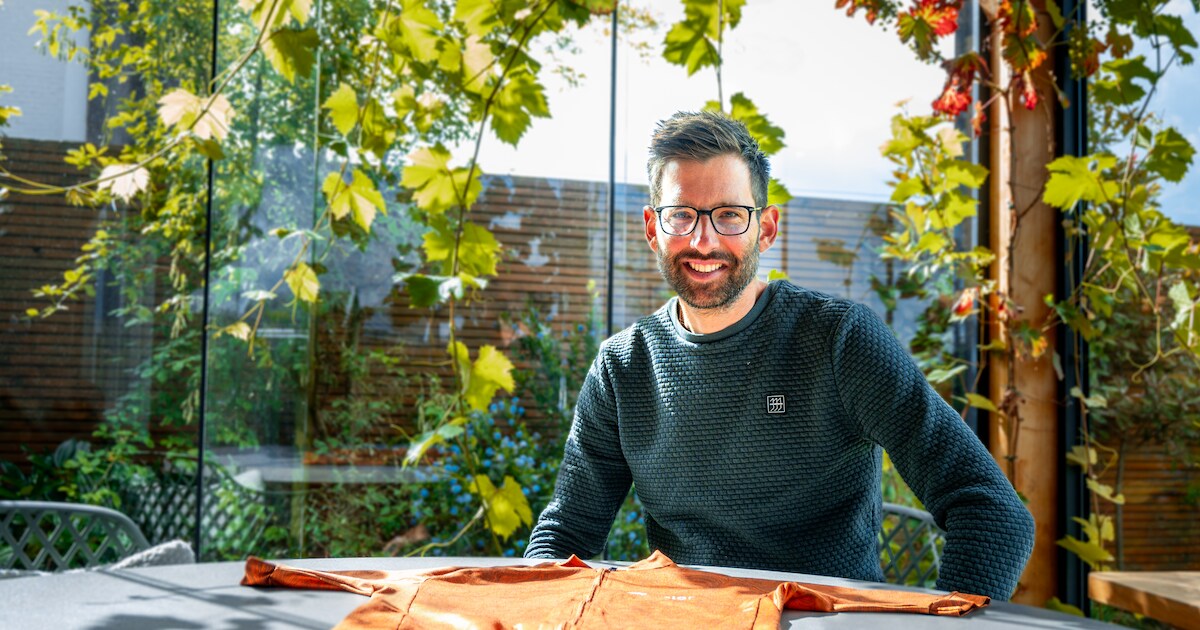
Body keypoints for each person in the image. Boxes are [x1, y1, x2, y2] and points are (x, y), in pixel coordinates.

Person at [524, 110, 1035, 601]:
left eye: (729, 215)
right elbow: (570, 528)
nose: (704, 241)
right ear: (653, 228)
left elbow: (991, 511)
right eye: (682, 215)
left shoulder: (839, 340)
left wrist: (946, 627)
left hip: (828, 623)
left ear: (766, 228)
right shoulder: (622, 367)